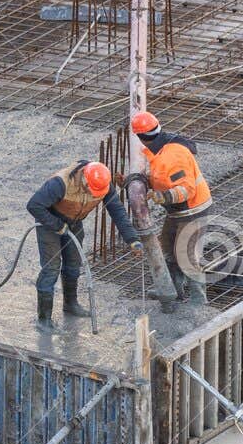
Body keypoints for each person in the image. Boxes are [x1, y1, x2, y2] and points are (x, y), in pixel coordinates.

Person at [25, 160, 141, 324]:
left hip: (74, 221)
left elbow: (118, 212)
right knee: (51, 268)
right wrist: (57, 225)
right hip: (49, 223)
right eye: (92, 190)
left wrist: (132, 239)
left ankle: (70, 304)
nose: (94, 195)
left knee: (73, 264)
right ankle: (44, 319)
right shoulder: (60, 183)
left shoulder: (103, 183)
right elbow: (34, 205)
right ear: (84, 178)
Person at [132, 110, 214, 303]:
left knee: (186, 255)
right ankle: (173, 289)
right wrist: (143, 183)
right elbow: (163, 178)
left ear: (142, 138)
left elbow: (187, 189)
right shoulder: (159, 149)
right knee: (168, 249)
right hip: (177, 211)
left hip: (194, 209)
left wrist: (163, 196)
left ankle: (198, 300)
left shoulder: (173, 154)